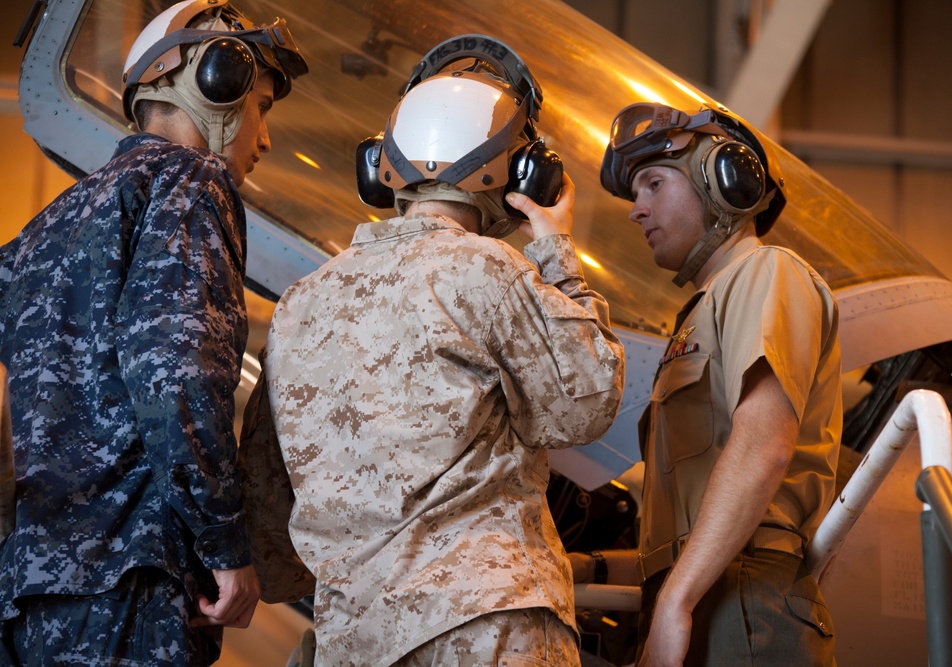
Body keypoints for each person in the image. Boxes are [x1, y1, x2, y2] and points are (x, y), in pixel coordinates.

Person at [238, 34, 625, 667]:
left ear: (382, 168)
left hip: (356, 643)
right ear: (519, 172)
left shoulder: (301, 302)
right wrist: (557, 253)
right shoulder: (491, 270)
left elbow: (267, 496)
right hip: (488, 629)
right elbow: (588, 403)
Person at [0, 0, 307, 664]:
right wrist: (226, 548)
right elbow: (179, 373)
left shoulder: (47, 226)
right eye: (263, 106)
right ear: (215, 85)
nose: (266, 137)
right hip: (133, 590)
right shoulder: (193, 184)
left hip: (34, 600)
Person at [574, 103, 842, 667]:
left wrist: (676, 599)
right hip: (703, 590)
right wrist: (590, 567)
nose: (636, 210)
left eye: (652, 184)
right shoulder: (700, 313)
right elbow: (682, 531)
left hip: (742, 598)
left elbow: (764, 446)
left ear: (725, 184)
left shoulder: (766, 271)